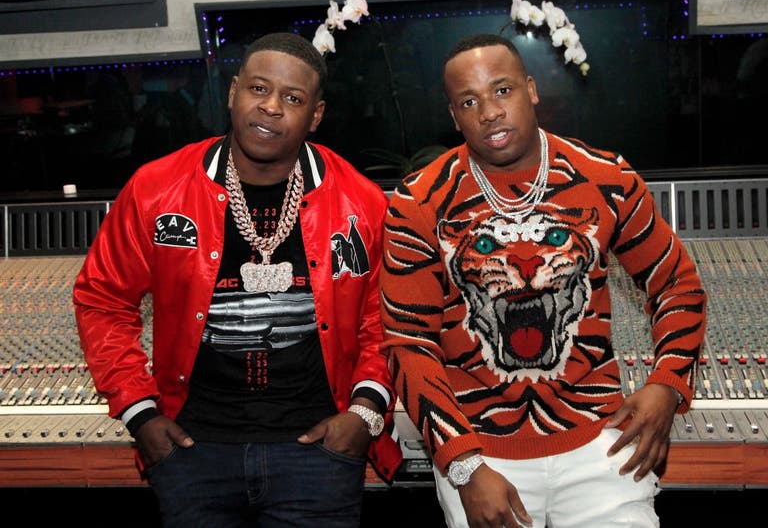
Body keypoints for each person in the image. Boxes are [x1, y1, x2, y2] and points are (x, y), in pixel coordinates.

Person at [73, 32, 402, 527]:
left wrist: (365, 412)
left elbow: (387, 318)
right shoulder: (156, 189)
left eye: (293, 98)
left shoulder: (360, 201)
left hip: (319, 455)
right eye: (259, 88)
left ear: (315, 116)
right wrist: (139, 412)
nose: (271, 107)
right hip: (191, 452)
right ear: (233, 92)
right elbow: (102, 300)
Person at [379, 33, 707, 528]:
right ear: (453, 116)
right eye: (469, 101)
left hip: (602, 445)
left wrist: (667, 385)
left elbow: (677, 284)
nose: (489, 112)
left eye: (502, 90)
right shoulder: (418, 201)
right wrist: (464, 465)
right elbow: (409, 343)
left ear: (531, 90)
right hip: (481, 456)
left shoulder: (607, 178)